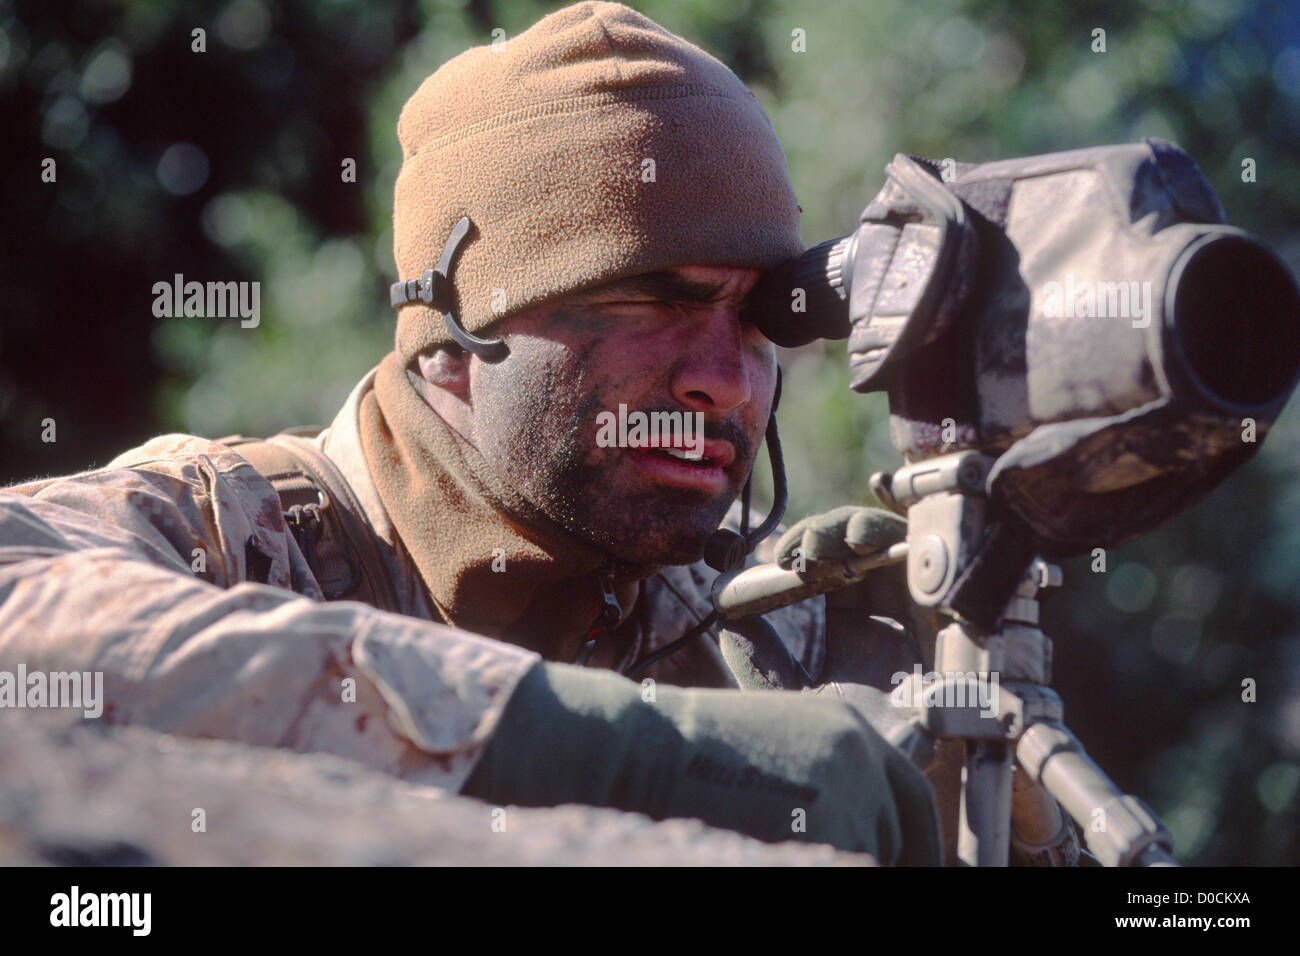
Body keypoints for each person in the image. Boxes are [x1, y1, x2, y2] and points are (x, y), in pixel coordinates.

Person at [0, 2, 1071, 866]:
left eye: (759, 317)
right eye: (644, 300)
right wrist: (623, 755)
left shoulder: (740, 632)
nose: (718, 379)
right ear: (450, 337)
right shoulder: (226, 531)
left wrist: (968, 745)